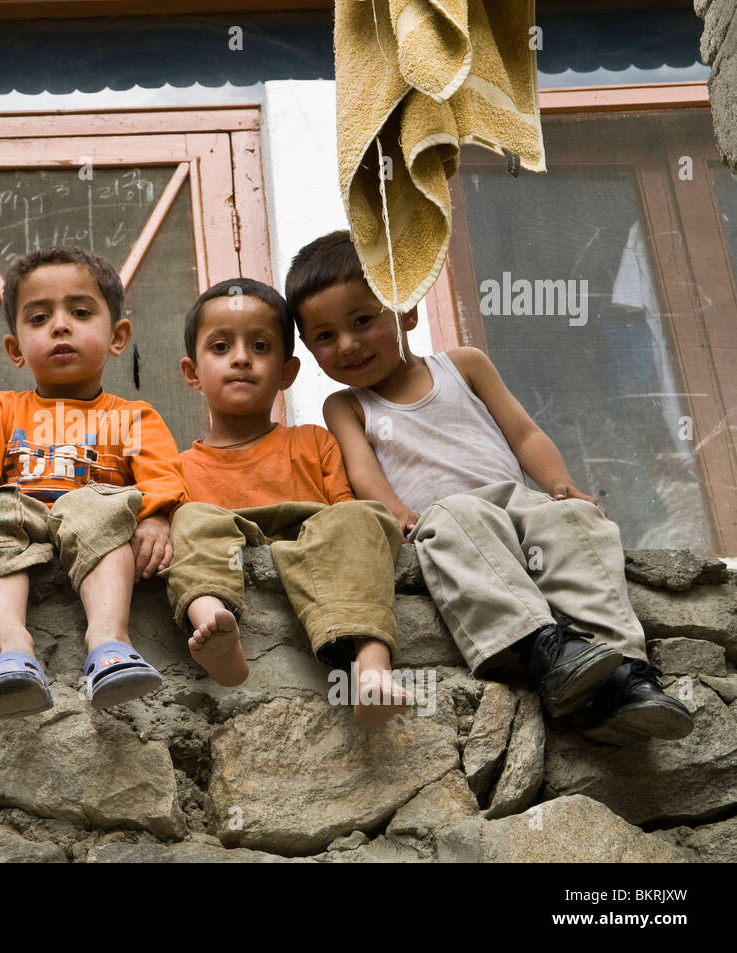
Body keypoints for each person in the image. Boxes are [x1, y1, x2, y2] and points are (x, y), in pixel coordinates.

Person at [290, 230, 693, 744]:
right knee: (462, 515)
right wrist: (395, 511)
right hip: (443, 516)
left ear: (406, 309)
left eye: (363, 320)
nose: (346, 344)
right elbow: (363, 471)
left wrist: (561, 486)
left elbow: (523, 433)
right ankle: (541, 646)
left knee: (575, 521)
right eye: (324, 336)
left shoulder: (465, 365)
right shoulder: (347, 406)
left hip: (514, 502)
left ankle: (625, 673)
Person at [0, 247, 185, 718]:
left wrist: (157, 515)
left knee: (103, 506)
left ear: (117, 336)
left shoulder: (132, 418)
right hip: (16, 528)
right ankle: (11, 648)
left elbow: (162, 477)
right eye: (40, 317)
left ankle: (108, 641)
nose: (60, 325)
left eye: (81, 312)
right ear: (15, 349)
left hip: (91, 525)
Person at [164, 278, 410, 725]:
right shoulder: (179, 469)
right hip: (228, 542)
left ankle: (372, 666)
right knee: (189, 518)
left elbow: (351, 519)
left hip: (313, 538)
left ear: (286, 372)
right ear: (192, 371)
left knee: (359, 516)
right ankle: (217, 627)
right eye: (221, 347)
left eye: (260, 346)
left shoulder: (315, 441)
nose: (241, 357)